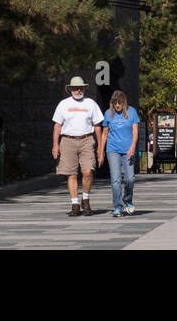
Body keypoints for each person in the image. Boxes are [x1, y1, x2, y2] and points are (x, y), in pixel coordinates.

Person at [51, 76, 105, 217]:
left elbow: (97, 126)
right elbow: (57, 126)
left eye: (80, 88)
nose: (78, 90)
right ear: (70, 90)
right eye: (75, 88)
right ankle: (75, 204)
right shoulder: (63, 104)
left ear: (85, 88)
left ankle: (85, 200)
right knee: (71, 173)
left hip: (86, 139)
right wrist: (55, 145)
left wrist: (100, 147)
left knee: (88, 172)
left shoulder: (91, 104)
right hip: (67, 140)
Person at [100, 90, 140, 217]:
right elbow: (104, 134)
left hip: (128, 150)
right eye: (115, 103)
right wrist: (100, 151)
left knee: (130, 179)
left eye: (120, 103)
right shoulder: (108, 114)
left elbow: (135, 131)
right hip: (113, 150)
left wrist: (133, 146)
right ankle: (117, 206)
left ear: (124, 103)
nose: (117, 105)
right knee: (116, 180)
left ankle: (127, 200)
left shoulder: (131, 112)